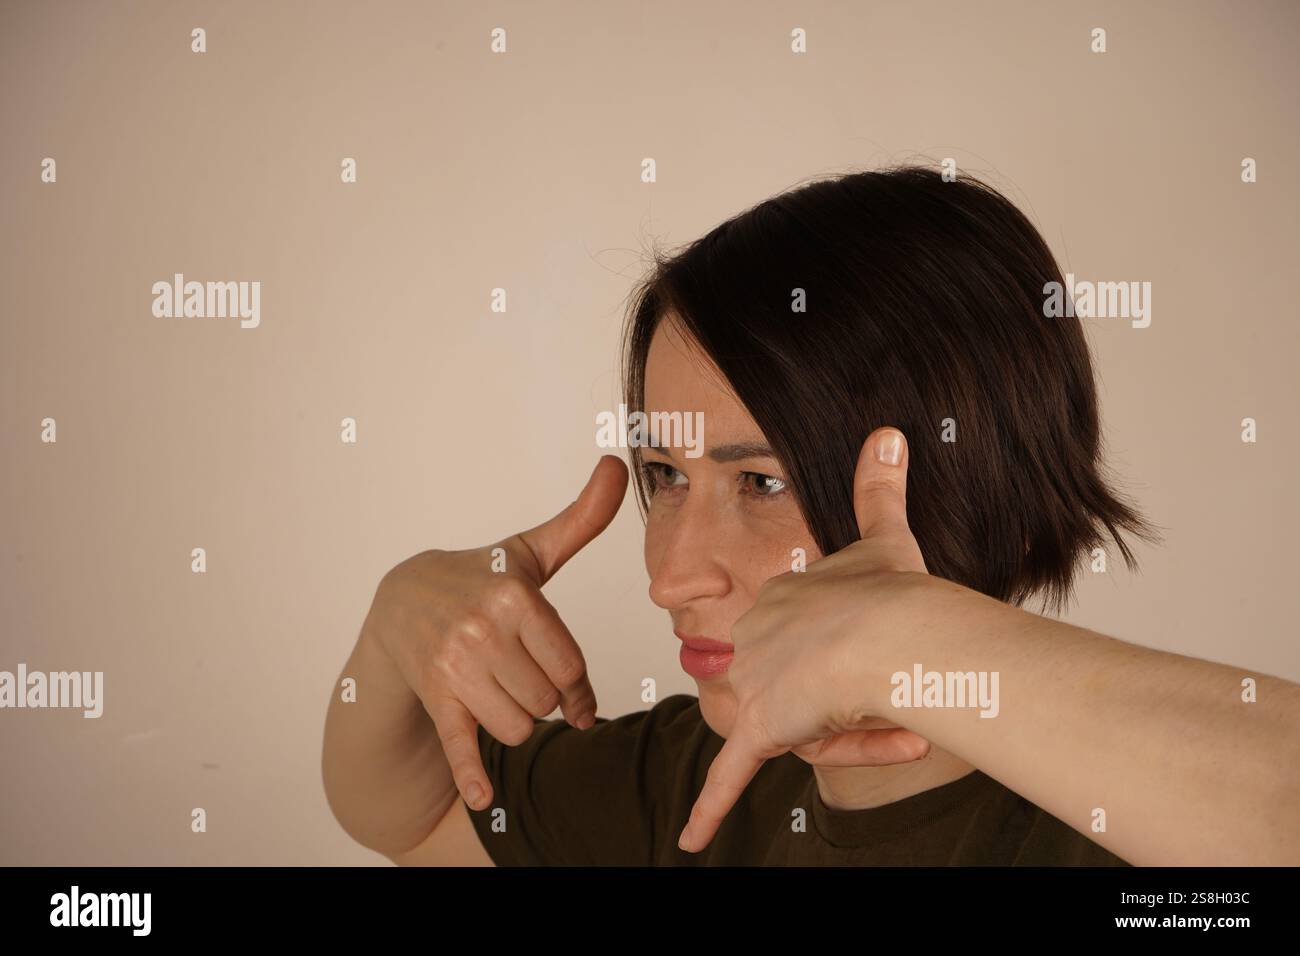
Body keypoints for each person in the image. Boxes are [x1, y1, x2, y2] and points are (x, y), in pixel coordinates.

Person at [321, 166, 1300, 866]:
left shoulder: (1119, 836)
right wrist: (392, 625)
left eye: (760, 483)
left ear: (957, 481)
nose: (670, 573)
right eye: (664, 474)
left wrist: (916, 647)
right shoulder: (687, 782)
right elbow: (410, 816)